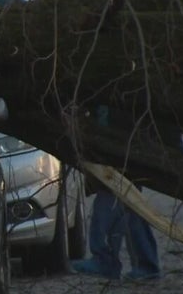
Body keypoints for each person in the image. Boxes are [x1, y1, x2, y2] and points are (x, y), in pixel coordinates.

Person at [71, 104, 173, 281]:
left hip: (125, 159)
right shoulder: (105, 100)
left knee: (111, 208)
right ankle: (141, 264)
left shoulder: (123, 100)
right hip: (119, 160)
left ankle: (107, 261)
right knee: (129, 211)